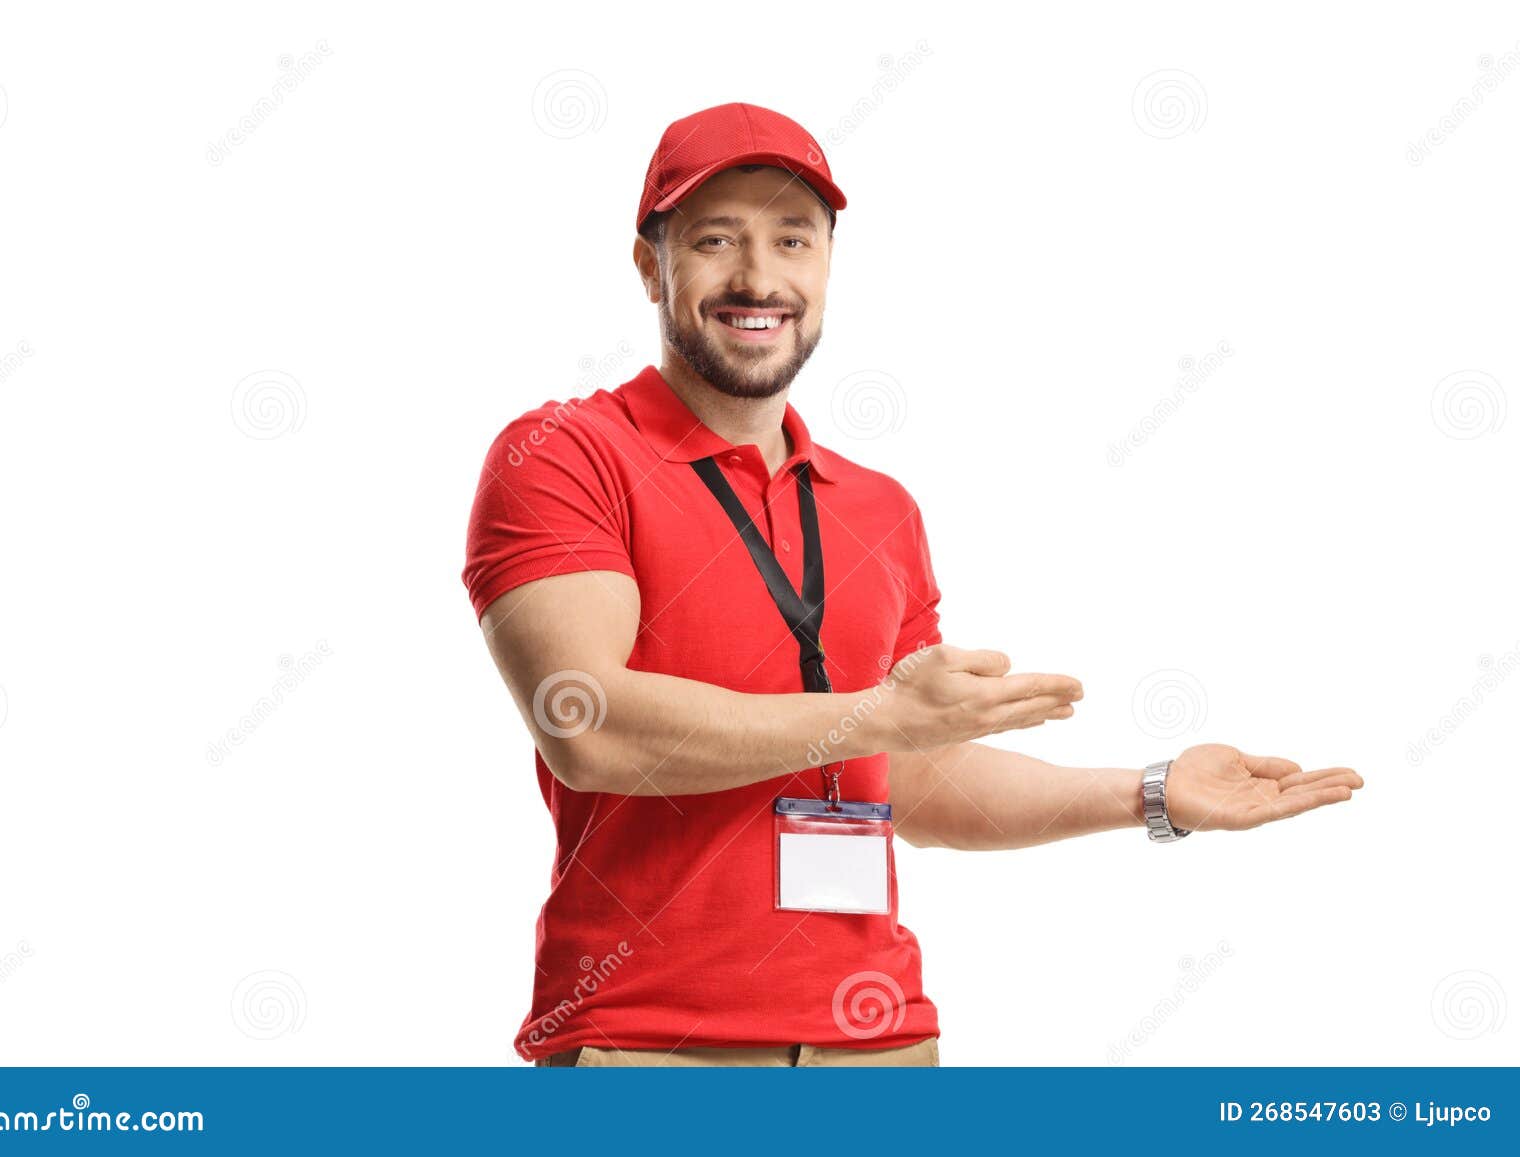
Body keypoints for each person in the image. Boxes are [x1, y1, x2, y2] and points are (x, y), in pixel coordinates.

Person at [461, 102, 1363, 1068]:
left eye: (792, 239)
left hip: (882, 1047)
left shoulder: (877, 507)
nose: (758, 278)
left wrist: (1150, 794)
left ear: (827, 263)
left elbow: (919, 784)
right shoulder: (564, 455)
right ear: (651, 265)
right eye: (716, 239)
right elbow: (588, 725)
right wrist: (876, 717)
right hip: (649, 1048)